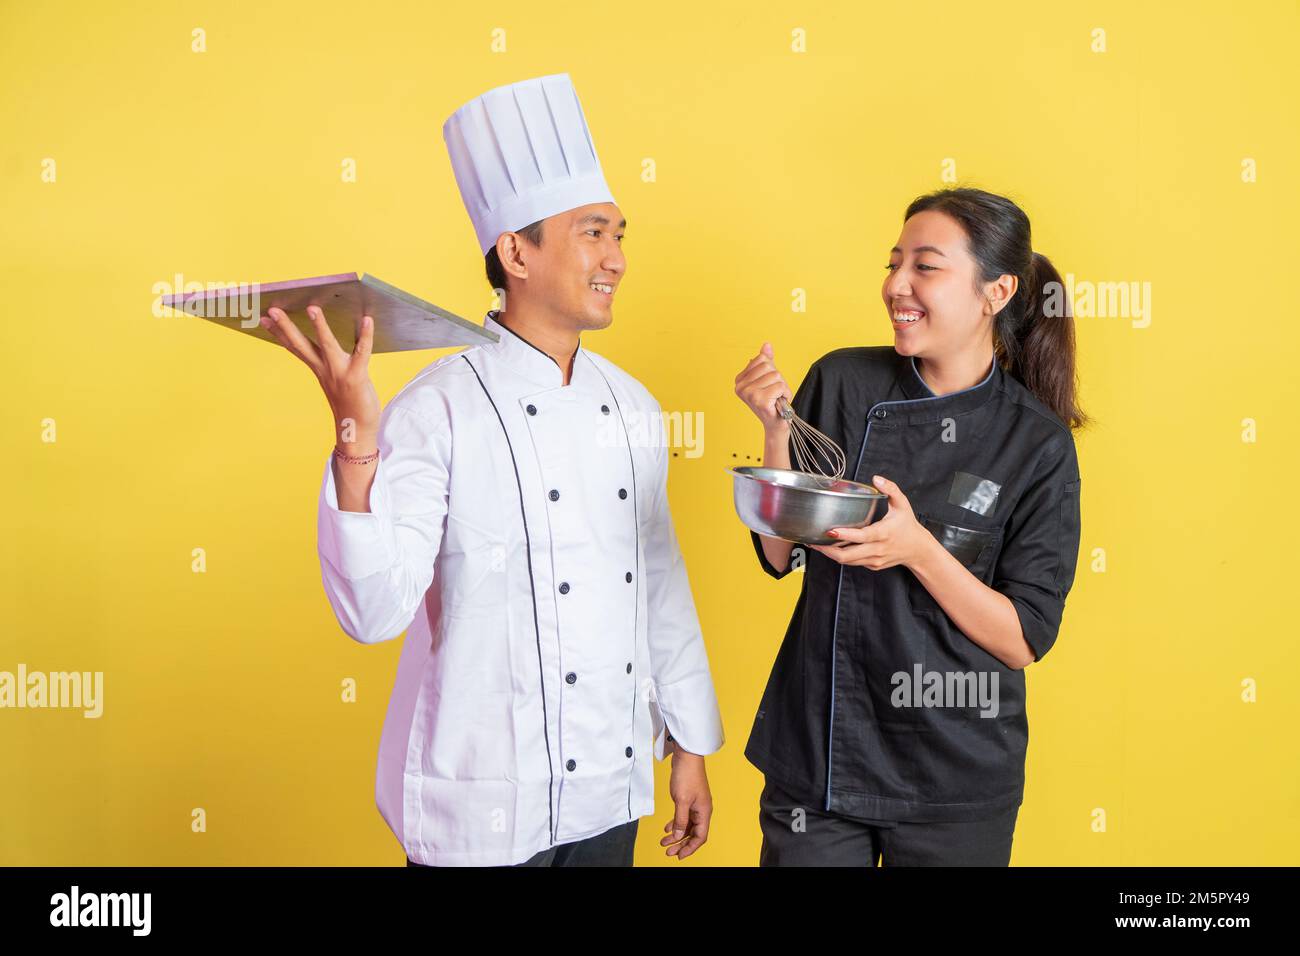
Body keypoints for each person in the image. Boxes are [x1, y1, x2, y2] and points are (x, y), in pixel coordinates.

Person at [260, 73, 724, 867]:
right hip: (480, 805)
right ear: (515, 251)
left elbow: (657, 577)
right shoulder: (435, 409)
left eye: (619, 235)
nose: (615, 258)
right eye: (592, 234)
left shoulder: (634, 407)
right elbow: (373, 614)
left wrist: (689, 740)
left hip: (608, 793)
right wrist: (354, 444)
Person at [734, 186, 1085, 866]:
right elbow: (780, 556)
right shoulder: (842, 382)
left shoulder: (1036, 444)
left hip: (952, 775)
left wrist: (918, 550)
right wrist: (777, 430)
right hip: (820, 756)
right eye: (894, 262)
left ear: (997, 291)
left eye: (926, 266)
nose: (896, 284)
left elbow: (1021, 639)